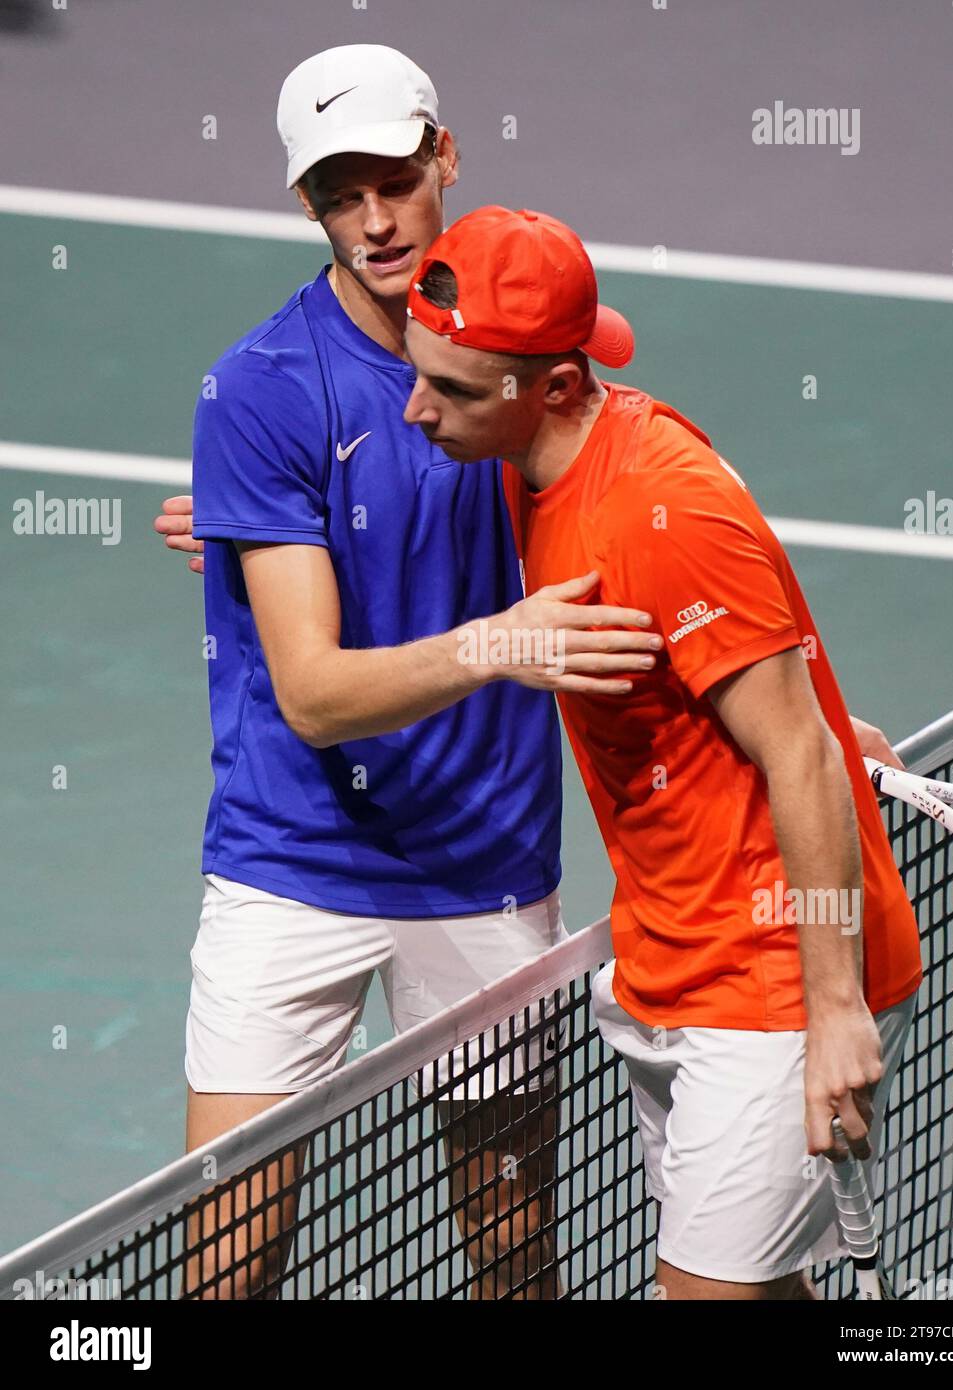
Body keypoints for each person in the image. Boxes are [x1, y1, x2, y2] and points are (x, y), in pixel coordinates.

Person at [160, 44, 660, 1301]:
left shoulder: (514, 340)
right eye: (338, 192)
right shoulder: (264, 390)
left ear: (445, 154)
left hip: (481, 864)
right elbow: (315, 693)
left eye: (392, 176)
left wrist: (806, 709)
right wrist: (499, 640)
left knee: (512, 1259)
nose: (374, 219)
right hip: (290, 860)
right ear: (305, 204)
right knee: (225, 1270)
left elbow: (609, 507)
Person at [390, 204, 923, 1301]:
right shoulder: (527, 459)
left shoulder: (659, 504)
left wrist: (831, 1010)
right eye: (418, 371)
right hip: (667, 957)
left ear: (551, 385)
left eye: (448, 388)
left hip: (773, 978)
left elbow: (803, 759)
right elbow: (768, 693)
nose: (416, 408)